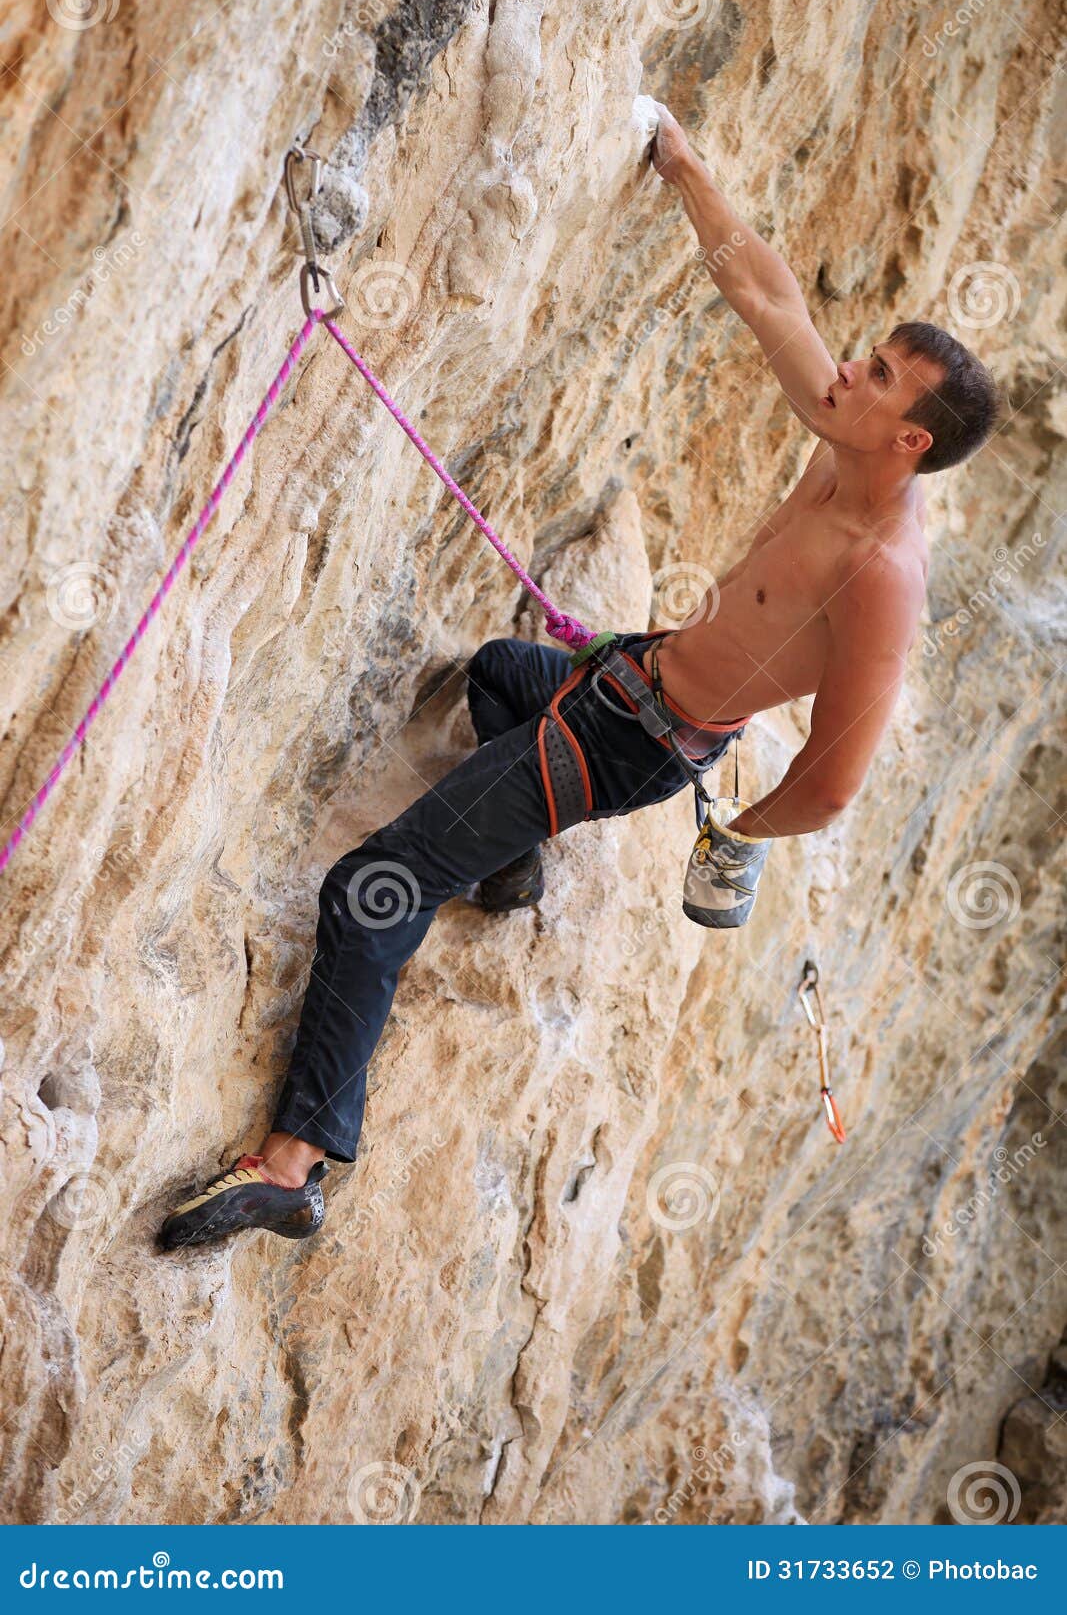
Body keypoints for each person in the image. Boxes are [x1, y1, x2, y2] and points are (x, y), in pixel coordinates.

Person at [158, 103, 998, 1249]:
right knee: (504, 670)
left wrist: (736, 834)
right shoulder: (839, 433)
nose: (849, 368)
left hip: (628, 743)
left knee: (374, 884)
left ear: (909, 439)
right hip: (623, 681)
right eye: (867, 356)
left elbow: (837, 775)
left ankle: (290, 1168)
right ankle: (508, 872)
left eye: (880, 374)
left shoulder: (879, 570)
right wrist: (681, 158)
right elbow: (766, 296)